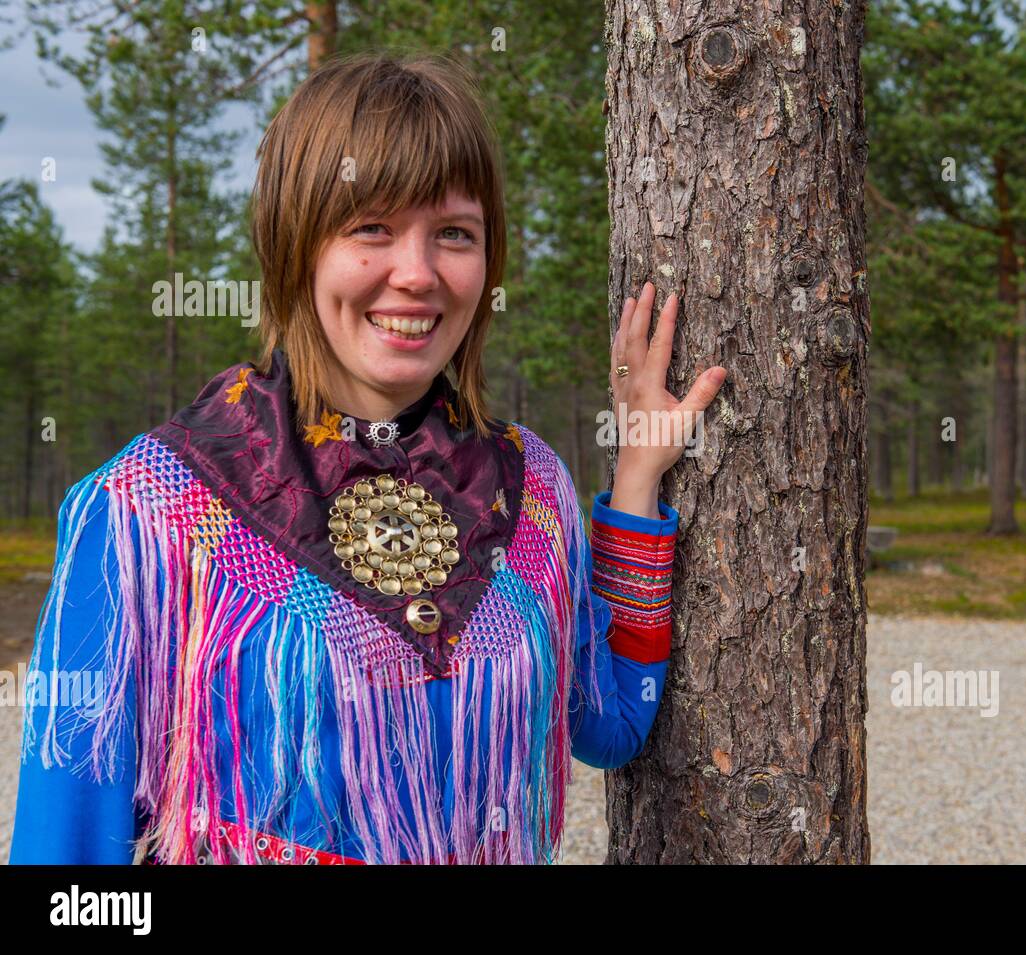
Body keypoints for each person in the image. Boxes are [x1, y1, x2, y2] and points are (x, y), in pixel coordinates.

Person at [8, 52, 726, 865]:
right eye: (372, 228)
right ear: (296, 242)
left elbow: (611, 722)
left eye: (454, 233)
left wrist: (636, 475)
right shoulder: (149, 514)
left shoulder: (532, 491)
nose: (417, 274)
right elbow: (63, 861)